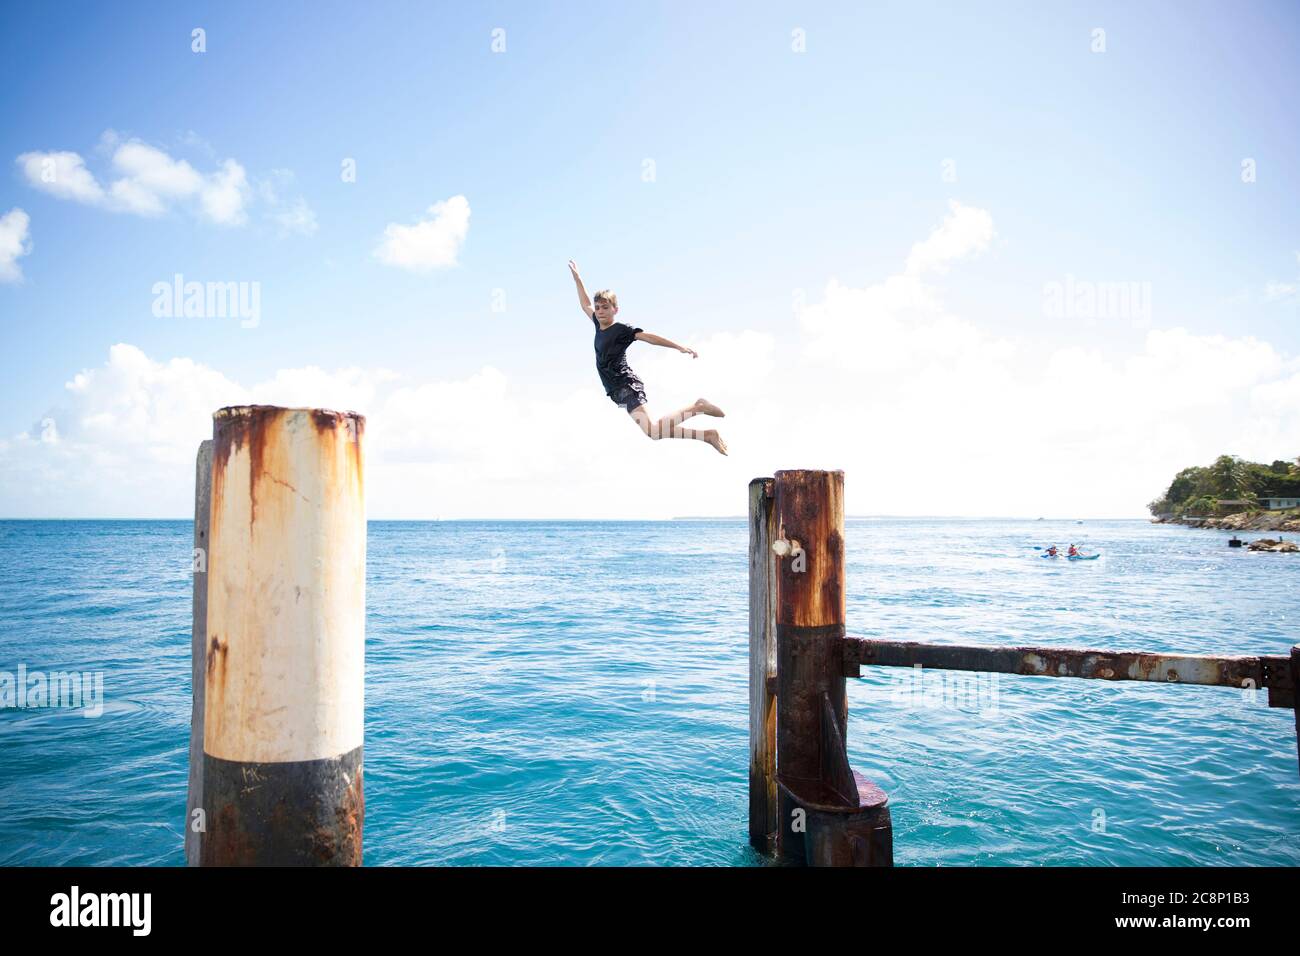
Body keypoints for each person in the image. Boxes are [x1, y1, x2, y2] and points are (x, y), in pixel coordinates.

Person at [569, 260, 728, 455]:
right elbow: (585, 303)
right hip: (615, 390)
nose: (600, 311)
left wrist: (678, 346)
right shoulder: (597, 323)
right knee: (655, 432)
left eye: (605, 307)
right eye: (598, 307)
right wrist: (578, 278)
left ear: (615, 310)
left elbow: (649, 338)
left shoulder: (621, 330)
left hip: (625, 385)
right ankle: (708, 435)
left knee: (653, 430)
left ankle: (698, 407)